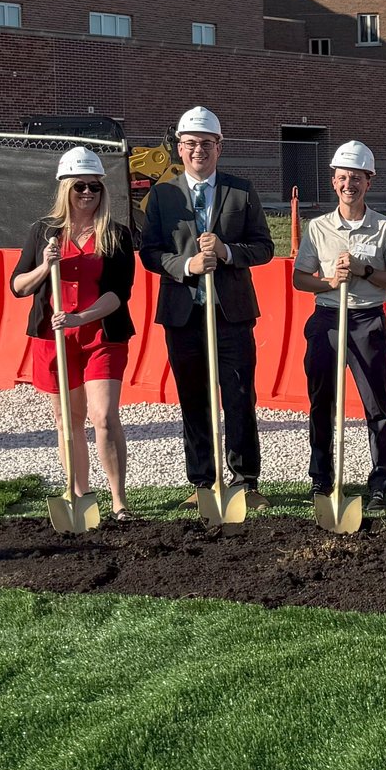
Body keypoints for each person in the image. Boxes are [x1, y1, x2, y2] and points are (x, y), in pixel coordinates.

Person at [137, 105, 275, 500]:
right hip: (183, 314)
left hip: (231, 313)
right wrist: (187, 265)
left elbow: (264, 247)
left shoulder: (241, 190)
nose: (199, 150)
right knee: (193, 397)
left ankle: (245, 481)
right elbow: (150, 253)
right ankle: (202, 481)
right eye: (191, 143)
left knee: (238, 396)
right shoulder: (162, 196)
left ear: (220, 147)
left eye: (207, 143)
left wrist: (229, 252)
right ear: (179, 148)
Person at [10, 146, 135, 518]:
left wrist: (82, 318)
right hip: (53, 340)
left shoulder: (116, 234)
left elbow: (119, 293)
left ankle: (119, 500)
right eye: (80, 185)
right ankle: (81, 496)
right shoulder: (43, 232)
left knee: (104, 416)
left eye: (94, 187)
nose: (87, 193)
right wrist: (44, 266)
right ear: (65, 187)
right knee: (68, 418)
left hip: (102, 336)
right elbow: (19, 286)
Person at [292, 139, 386, 510]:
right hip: (327, 318)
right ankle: (321, 480)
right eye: (343, 177)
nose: (349, 184)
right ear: (334, 182)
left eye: (357, 177)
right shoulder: (318, 227)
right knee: (321, 403)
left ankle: (380, 483)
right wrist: (329, 282)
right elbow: (300, 278)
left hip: (367, 320)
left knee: (377, 405)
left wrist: (366, 271)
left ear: (368, 182)